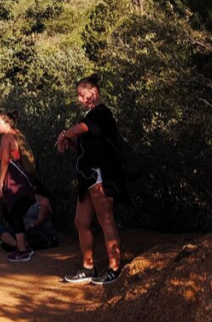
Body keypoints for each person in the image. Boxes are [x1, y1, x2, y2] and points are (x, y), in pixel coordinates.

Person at [56, 73, 126, 285]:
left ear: (93, 92)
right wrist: (69, 143)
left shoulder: (101, 113)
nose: (79, 99)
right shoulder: (90, 116)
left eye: (81, 94)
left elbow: (80, 129)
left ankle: (114, 268)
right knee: (81, 221)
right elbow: (83, 148)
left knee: (106, 219)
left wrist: (65, 134)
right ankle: (88, 268)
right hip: (87, 177)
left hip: (101, 175)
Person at [0, 110, 37, 262]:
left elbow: (5, 161)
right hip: (24, 181)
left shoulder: (7, 137)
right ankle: (24, 246)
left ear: (7, 123)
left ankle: (22, 251)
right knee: (13, 212)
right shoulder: (18, 134)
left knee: (14, 213)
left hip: (14, 181)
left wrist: (1, 183)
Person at [0, 184, 59, 252]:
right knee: (0, 229)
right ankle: (17, 245)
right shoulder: (23, 200)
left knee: (29, 233)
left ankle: (17, 244)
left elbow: (41, 219)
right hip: (24, 230)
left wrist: (29, 226)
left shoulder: (44, 201)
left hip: (38, 230)